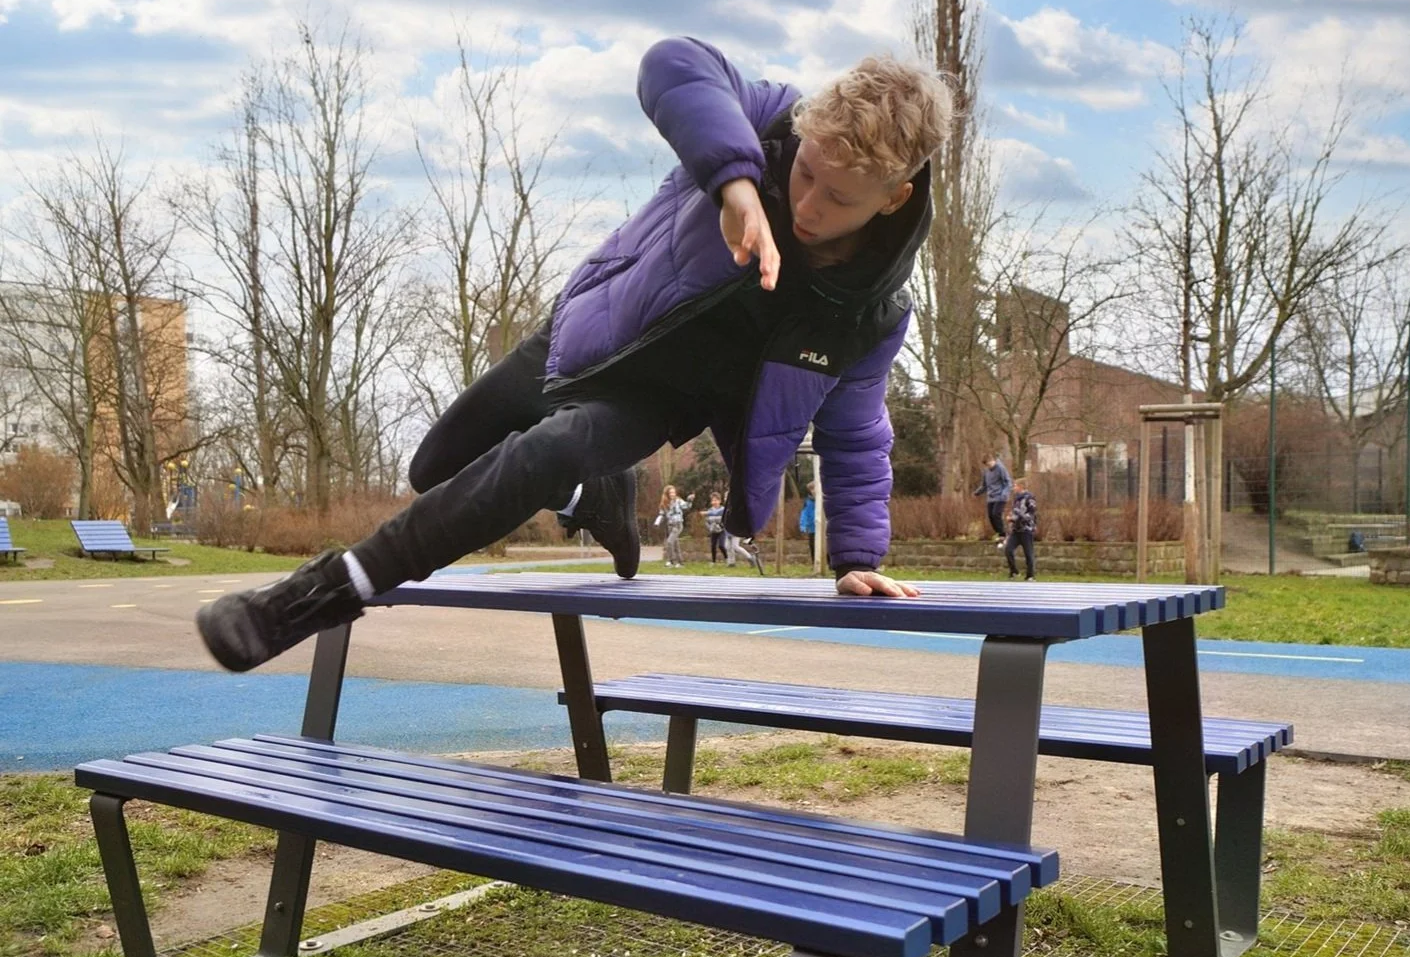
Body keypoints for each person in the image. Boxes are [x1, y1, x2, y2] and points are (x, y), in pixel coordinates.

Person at [195, 35, 949, 672]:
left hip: (655, 400)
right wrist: (736, 183)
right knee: (435, 470)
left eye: (838, 198)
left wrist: (856, 554)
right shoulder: (768, 123)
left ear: (893, 196)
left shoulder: (868, 310)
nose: (809, 204)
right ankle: (600, 500)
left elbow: (855, 430)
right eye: (805, 174)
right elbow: (673, 63)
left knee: (549, 449)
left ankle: (307, 599)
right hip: (586, 331)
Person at [972, 454, 1011, 545]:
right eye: (987, 465)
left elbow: (1008, 482)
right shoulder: (986, 471)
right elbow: (984, 486)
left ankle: (1003, 534)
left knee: (996, 513)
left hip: (1001, 496)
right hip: (991, 497)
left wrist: (1004, 494)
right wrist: (976, 493)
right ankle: (1000, 533)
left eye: (989, 464)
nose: (989, 467)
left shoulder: (1001, 468)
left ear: (992, 460)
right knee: (991, 516)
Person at [1004, 477, 1037, 581]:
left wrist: (1017, 517)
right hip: (1016, 530)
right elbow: (1015, 512)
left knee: (1028, 553)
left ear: (1021, 486)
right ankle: (1014, 571)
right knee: (1008, 549)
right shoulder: (1016, 499)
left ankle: (1030, 575)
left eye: (1015, 485)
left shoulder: (1030, 498)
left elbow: (1031, 514)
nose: (1013, 488)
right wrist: (1011, 518)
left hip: (1026, 530)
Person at [654, 484, 693, 566]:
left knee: (669, 542)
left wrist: (689, 500)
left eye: (674, 492)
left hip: (678, 524)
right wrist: (657, 522)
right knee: (675, 544)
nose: (673, 494)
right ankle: (680, 562)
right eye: (670, 493)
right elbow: (661, 514)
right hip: (670, 526)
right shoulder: (664, 504)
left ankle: (671, 561)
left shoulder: (678, 501)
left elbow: (686, 506)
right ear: (666, 494)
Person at [702, 491, 730, 564]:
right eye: (713, 500)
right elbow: (706, 521)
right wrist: (710, 528)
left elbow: (725, 520)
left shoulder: (723, 510)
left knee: (721, 545)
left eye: (716, 500)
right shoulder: (709, 511)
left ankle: (727, 558)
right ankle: (713, 561)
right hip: (713, 531)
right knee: (713, 546)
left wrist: (721, 526)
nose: (715, 502)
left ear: (720, 501)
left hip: (721, 531)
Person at [798, 482, 817, 560]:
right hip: (812, 527)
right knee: (813, 545)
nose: (813, 491)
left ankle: (829, 562)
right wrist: (803, 525)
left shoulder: (825, 499)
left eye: (814, 488)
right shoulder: (808, 502)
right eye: (811, 489)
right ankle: (814, 562)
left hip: (824, 527)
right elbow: (804, 514)